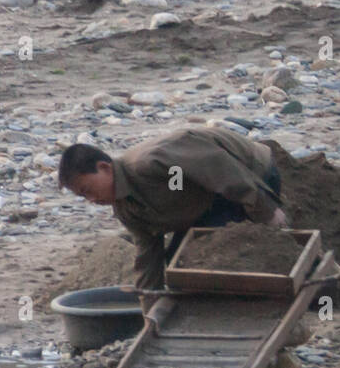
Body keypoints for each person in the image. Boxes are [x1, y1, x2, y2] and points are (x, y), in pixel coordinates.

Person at [58, 125, 287, 304]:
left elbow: (219, 169)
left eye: (88, 190)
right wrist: (150, 304)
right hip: (205, 200)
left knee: (207, 252)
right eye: (82, 197)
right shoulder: (126, 209)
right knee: (177, 261)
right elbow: (148, 253)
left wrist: (265, 210)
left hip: (250, 171)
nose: (92, 200)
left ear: (104, 168)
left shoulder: (152, 163)